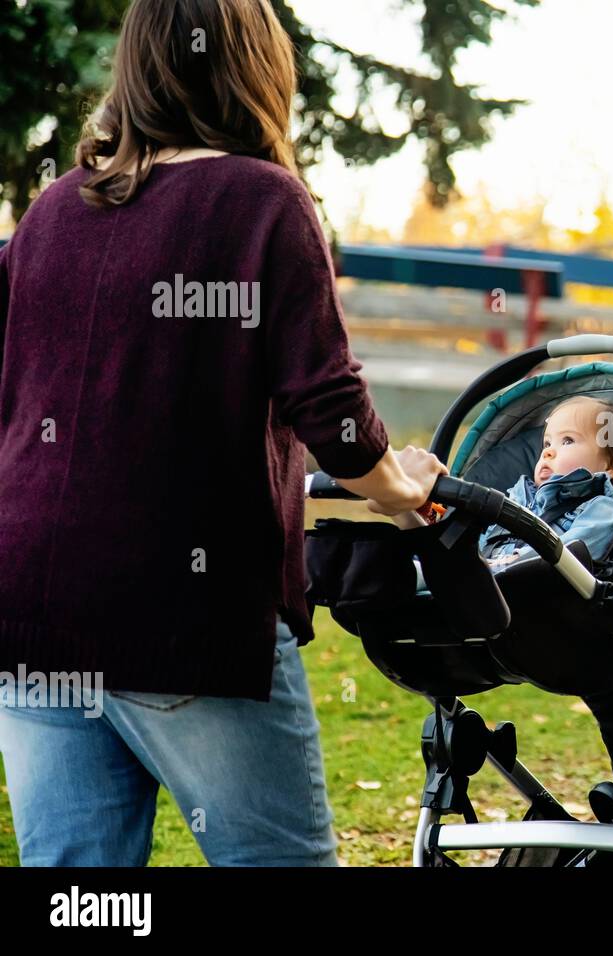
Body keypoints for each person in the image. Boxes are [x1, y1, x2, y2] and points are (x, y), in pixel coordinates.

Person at [0, 0, 447, 866]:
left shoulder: (52, 212)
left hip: (30, 613)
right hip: (182, 614)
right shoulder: (261, 200)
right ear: (255, 67)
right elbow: (332, 410)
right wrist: (403, 492)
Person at [477, 396, 613, 570]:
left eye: (567, 441)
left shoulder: (604, 511)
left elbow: (569, 554)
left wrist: (512, 561)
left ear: (610, 465)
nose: (548, 452)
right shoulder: (519, 498)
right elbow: (486, 541)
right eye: (547, 443)